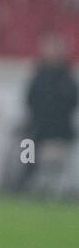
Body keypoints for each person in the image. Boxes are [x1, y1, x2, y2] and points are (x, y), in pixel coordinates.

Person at [22, 35, 78, 197]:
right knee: (27, 152)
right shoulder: (38, 77)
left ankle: (61, 189)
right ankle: (27, 183)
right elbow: (30, 100)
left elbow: (71, 103)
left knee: (59, 162)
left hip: (61, 131)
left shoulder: (67, 79)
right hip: (38, 131)